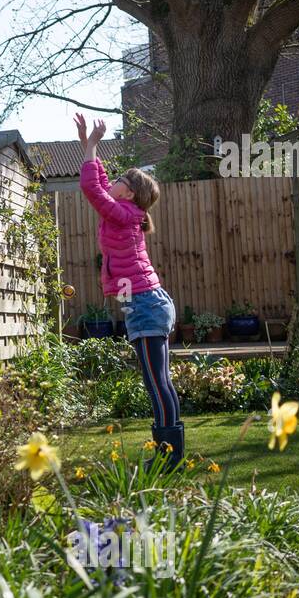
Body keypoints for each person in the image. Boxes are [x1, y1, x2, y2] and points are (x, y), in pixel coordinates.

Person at [74, 114, 183, 469]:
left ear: (130, 192)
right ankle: (168, 453)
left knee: (157, 384)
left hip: (146, 304)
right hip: (145, 303)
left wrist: (91, 147)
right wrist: (88, 146)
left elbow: (92, 189)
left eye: (120, 180)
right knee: (158, 382)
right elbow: (101, 184)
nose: (113, 183)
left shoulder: (122, 213)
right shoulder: (124, 210)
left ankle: (170, 456)